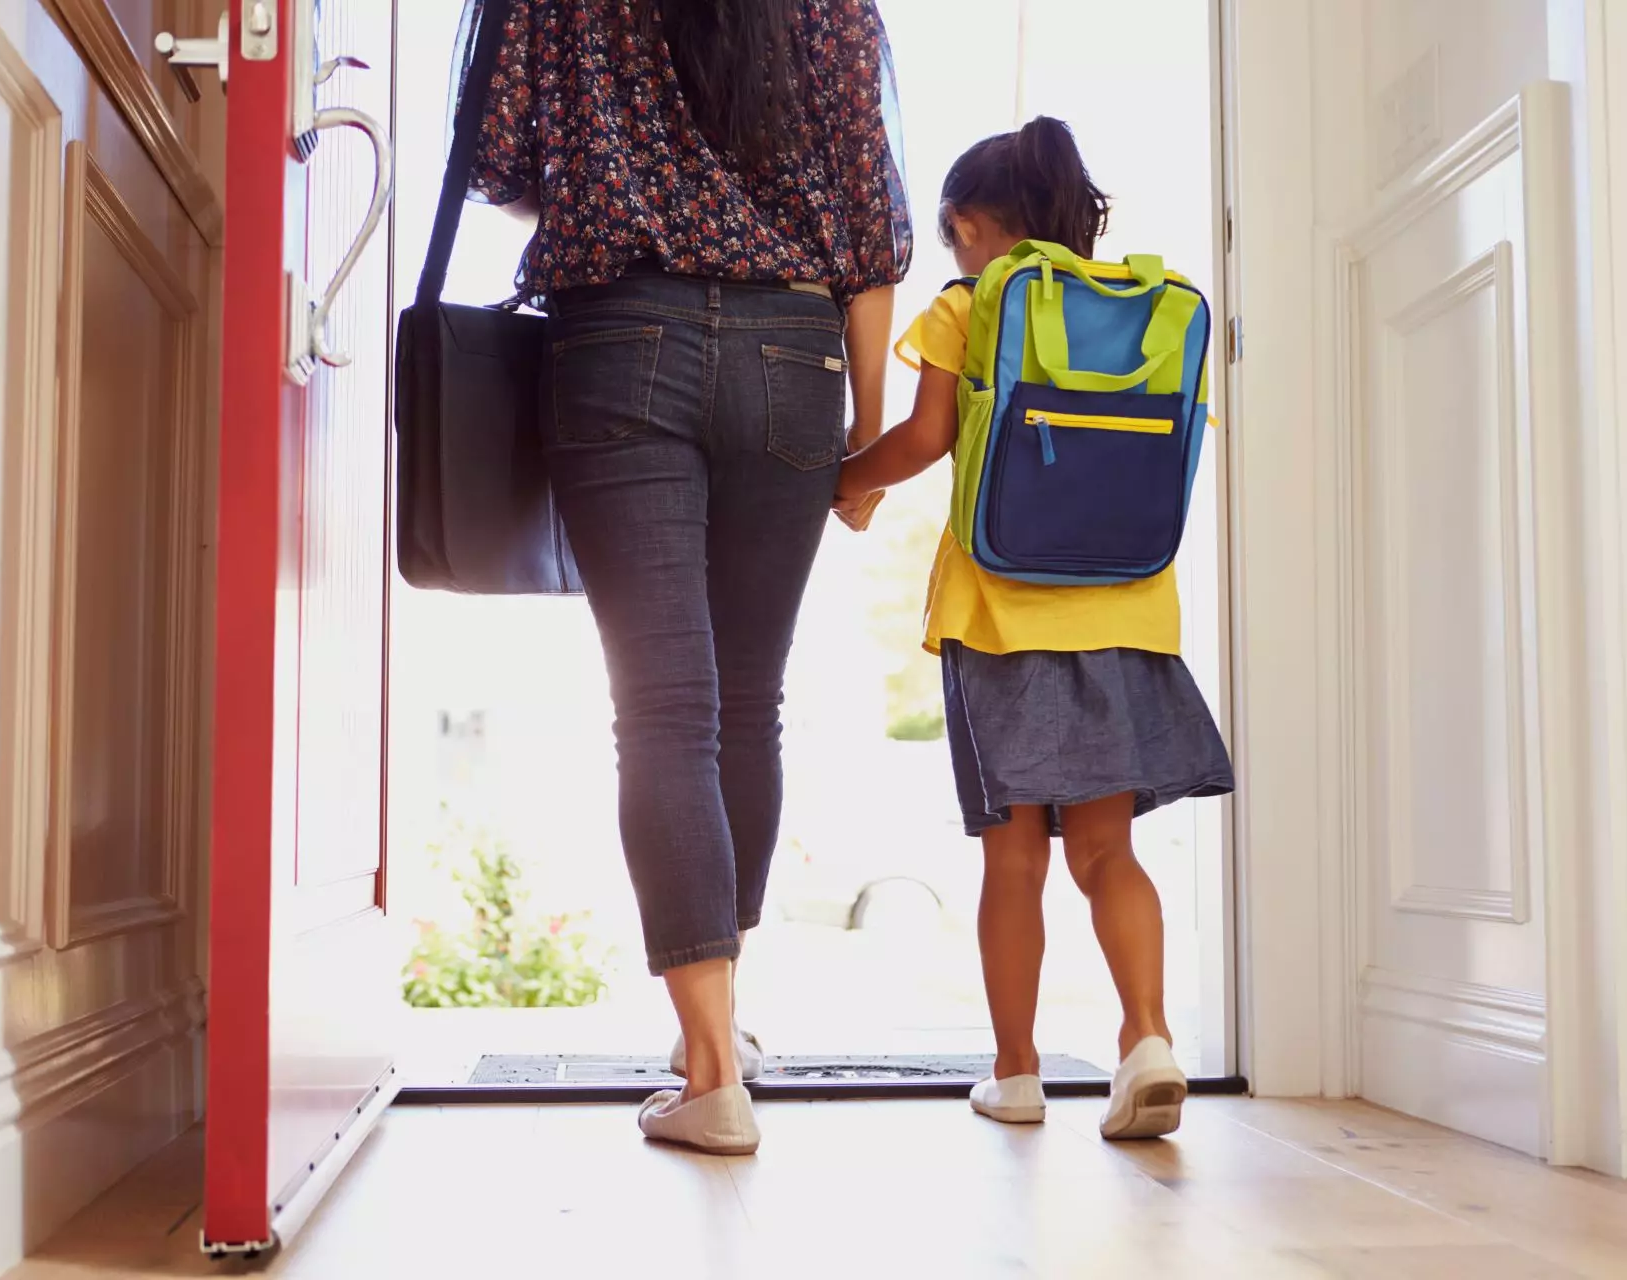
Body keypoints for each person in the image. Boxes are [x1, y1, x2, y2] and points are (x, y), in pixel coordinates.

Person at [454, 0, 911, 1153]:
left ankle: (710, 1065)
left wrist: (609, 179)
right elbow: (868, 230)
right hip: (795, 357)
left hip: (620, 338)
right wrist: (864, 436)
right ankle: (720, 1028)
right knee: (747, 702)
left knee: (665, 711)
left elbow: (497, 160)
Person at [834, 117, 1233, 1140]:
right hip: (1128, 606)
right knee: (1108, 851)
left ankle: (1014, 1073)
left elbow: (925, 438)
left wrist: (847, 485)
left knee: (1014, 861)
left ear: (968, 225)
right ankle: (1147, 1035)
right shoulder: (1147, 308)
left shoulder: (971, 302)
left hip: (1000, 614)